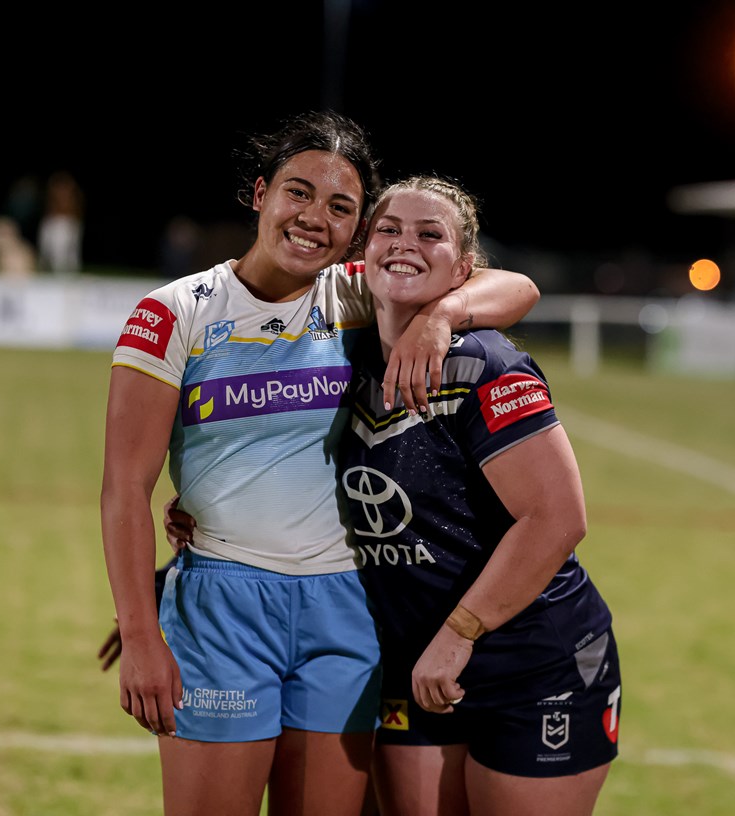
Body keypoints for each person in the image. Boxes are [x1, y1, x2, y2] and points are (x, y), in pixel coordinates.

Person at [100, 110, 539, 816]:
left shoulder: (355, 296)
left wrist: (440, 316)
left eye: (340, 207)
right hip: (223, 603)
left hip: (346, 606)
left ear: (358, 229)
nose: (314, 218)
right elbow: (125, 487)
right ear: (260, 194)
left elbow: (518, 287)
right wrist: (142, 631)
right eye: (297, 193)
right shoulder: (175, 313)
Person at [161, 176, 619, 815]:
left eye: (430, 235)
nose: (406, 244)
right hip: (410, 664)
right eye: (390, 230)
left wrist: (443, 315)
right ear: (364, 251)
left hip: (529, 660)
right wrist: (200, 516)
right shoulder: (346, 354)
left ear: (463, 268)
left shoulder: (485, 364)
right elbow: (280, 457)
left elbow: (558, 519)